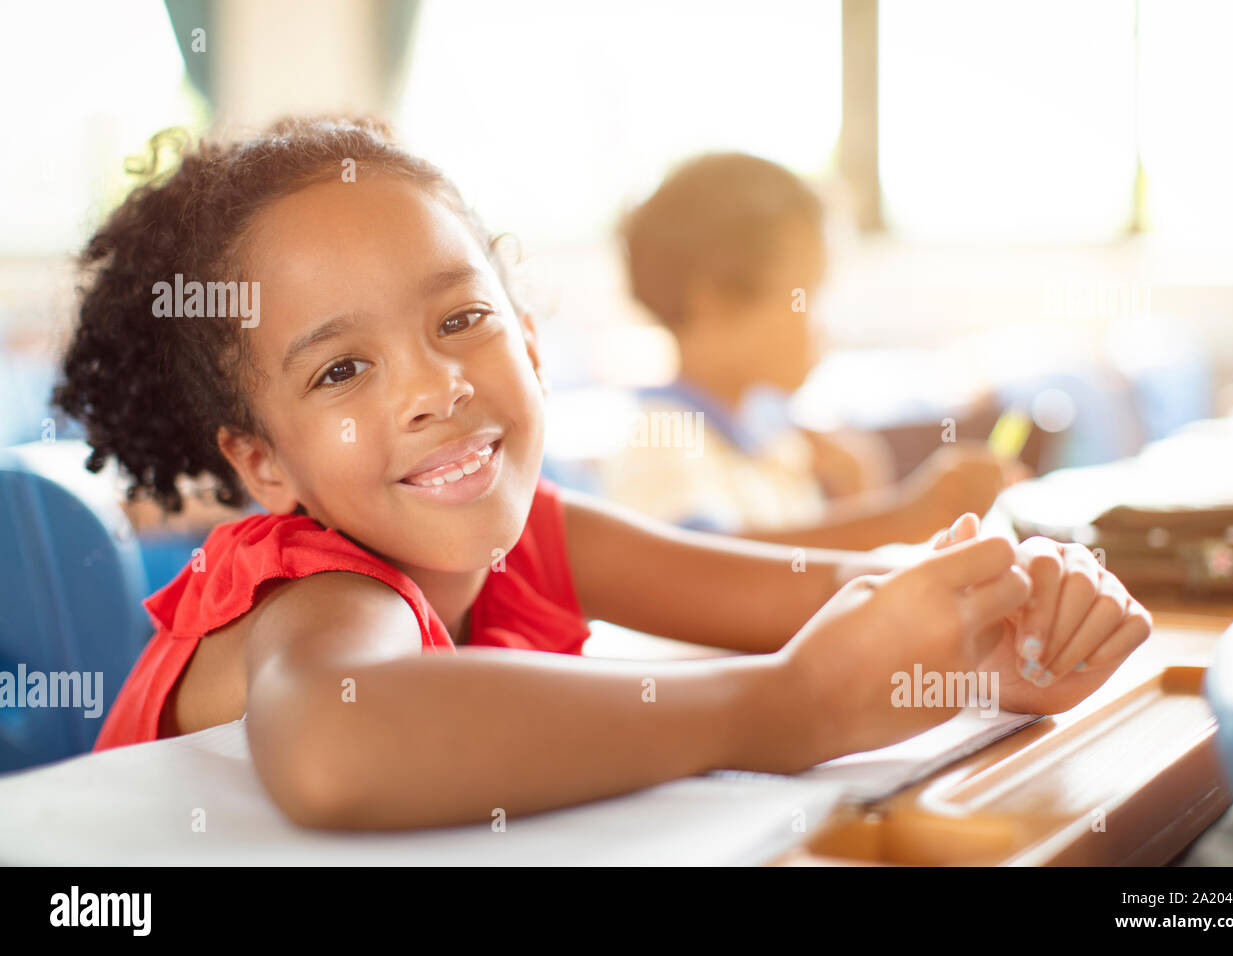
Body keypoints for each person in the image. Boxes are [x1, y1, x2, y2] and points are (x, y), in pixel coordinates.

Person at [55, 118, 1149, 830]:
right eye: (343, 368)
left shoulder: (526, 527)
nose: (431, 387)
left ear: (529, 341)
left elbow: (799, 590)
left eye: (462, 318)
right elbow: (337, 743)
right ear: (261, 459)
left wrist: (999, 620)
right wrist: (786, 706)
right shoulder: (311, 587)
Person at [609, 152, 1028, 548]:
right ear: (712, 302)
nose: (824, 326)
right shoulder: (662, 442)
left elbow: (823, 584)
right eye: (806, 296)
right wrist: (899, 519)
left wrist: (861, 492)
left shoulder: (778, 435)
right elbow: (700, 575)